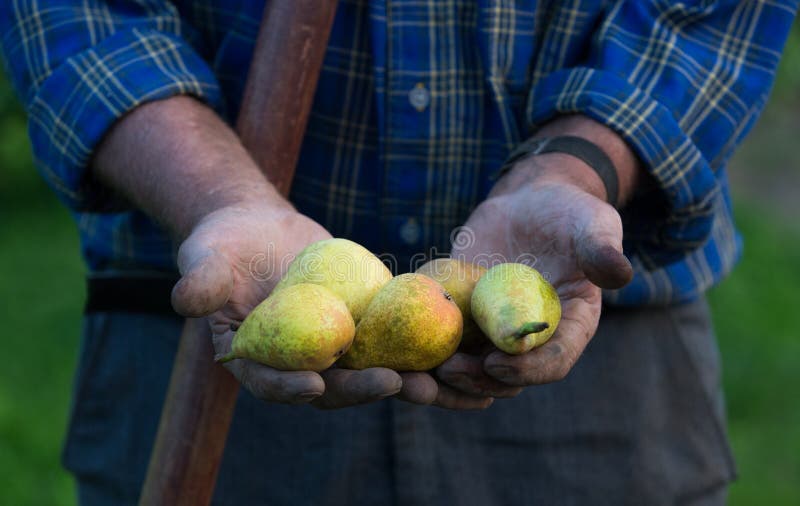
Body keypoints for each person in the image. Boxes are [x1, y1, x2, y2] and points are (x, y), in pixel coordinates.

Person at [1, 1, 795, 504]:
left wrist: (579, 168)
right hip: (206, 343)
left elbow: (711, 16)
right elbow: (78, 17)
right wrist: (220, 200)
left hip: (603, 369)